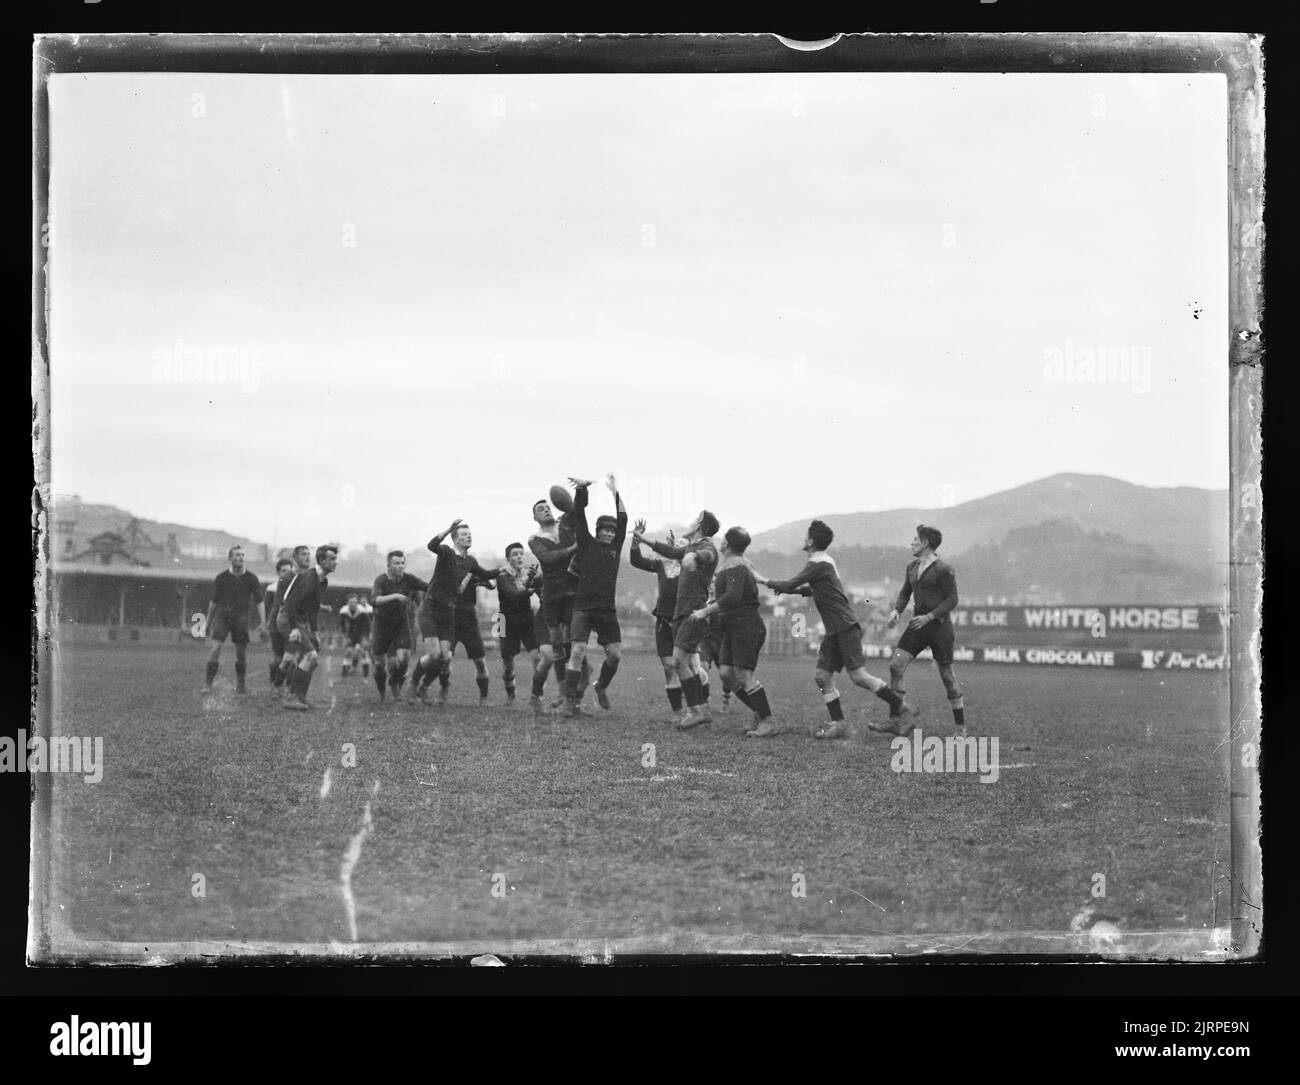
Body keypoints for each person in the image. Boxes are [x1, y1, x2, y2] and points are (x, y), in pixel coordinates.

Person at [758, 519, 915, 739]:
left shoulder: (818, 563)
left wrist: (762, 580)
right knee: (822, 676)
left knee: (859, 677)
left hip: (845, 627)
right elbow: (811, 589)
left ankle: (903, 706)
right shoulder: (823, 562)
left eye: (806, 536)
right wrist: (789, 590)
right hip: (836, 629)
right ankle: (839, 723)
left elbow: (791, 584)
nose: (804, 538)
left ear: (811, 540)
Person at [634, 509, 720, 729]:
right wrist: (642, 539)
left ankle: (696, 711)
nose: (690, 522)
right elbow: (669, 551)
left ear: (700, 524)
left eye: (694, 520)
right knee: (687, 664)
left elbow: (709, 554)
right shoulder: (690, 548)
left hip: (693, 613)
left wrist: (696, 557)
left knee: (679, 662)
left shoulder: (704, 546)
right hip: (683, 614)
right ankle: (701, 710)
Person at [690, 527, 777, 736]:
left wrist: (705, 611)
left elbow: (732, 597)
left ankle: (767, 720)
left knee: (744, 675)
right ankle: (758, 711)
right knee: (727, 674)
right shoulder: (736, 564)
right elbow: (753, 578)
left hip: (747, 626)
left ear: (726, 544)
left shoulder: (736, 566)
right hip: (732, 628)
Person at [880, 524, 965, 736]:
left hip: (939, 629)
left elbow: (952, 599)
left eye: (915, 540)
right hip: (917, 626)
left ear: (925, 543)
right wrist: (896, 610)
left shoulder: (944, 569)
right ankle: (895, 721)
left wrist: (930, 616)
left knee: (947, 676)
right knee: (896, 664)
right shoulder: (911, 567)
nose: (911, 543)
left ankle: (961, 728)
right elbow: (904, 593)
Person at [412, 521, 503, 706]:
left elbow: (485, 574)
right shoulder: (446, 552)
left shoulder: (470, 561)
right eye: (464, 534)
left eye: (470, 534)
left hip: (449, 612)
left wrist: (503, 570)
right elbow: (432, 546)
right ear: (455, 538)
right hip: (431, 607)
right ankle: (413, 686)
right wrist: (448, 529)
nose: (468, 536)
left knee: (444, 657)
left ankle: (423, 689)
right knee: (435, 655)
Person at [563, 475, 628, 715]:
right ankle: (570, 701)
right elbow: (580, 515)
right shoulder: (586, 543)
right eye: (606, 531)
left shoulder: (615, 548)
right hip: (583, 607)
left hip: (606, 610)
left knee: (614, 655)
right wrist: (582, 490)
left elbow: (623, 518)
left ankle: (600, 686)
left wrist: (615, 492)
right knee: (577, 651)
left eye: (612, 532)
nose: (610, 534)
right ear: (598, 531)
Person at [527, 493, 591, 715]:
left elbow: (579, 509)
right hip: (552, 596)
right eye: (540, 508)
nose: (546, 509)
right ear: (535, 517)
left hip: (573, 591)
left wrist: (582, 489)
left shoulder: (565, 524)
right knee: (554, 650)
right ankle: (544, 695)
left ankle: (570, 699)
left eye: (547, 506)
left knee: (572, 646)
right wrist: (575, 547)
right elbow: (549, 558)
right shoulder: (534, 539)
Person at [629, 525, 685, 715]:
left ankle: (700, 705)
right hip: (663, 619)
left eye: (681, 545)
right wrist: (636, 542)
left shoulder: (690, 567)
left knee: (691, 666)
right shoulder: (662, 564)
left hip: (684, 621)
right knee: (669, 666)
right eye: (675, 544)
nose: (677, 546)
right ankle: (678, 714)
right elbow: (636, 561)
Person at [279, 544, 339, 710]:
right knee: (310, 655)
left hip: (299, 620)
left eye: (336, 558)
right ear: (322, 561)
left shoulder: (322, 580)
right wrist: (295, 628)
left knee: (313, 656)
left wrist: (315, 632)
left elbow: (312, 608)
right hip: (288, 619)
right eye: (332, 559)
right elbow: (291, 603)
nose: (336, 562)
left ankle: (300, 697)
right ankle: (290, 697)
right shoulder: (309, 577)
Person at [204, 545, 265, 694]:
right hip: (223, 618)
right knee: (215, 649)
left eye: (242, 555)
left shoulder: (251, 578)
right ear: (230, 558)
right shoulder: (222, 577)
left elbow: (259, 601)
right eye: (237, 555)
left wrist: (263, 622)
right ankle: (207, 684)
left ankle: (241, 684)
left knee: (241, 653)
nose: (241, 558)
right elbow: (214, 601)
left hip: (241, 619)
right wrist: (207, 622)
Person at [369, 550, 428, 701]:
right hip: (381, 625)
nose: (401, 566)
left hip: (401, 623)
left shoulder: (409, 579)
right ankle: (382, 691)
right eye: (396, 563)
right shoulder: (380, 580)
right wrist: (395, 596)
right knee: (379, 665)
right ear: (388, 565)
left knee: (404, 658)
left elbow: (428, 586)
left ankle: (394, 682)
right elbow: (374, 601)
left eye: (402, 563)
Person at [495, 543, 544, 705]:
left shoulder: (528, 574)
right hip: (504, 620)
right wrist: (529, 586)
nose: (519, 557)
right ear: (508, 559)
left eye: (522, 554)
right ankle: (511, 696)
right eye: (515, 554)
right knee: (507, 663)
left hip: (526, 618)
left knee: (537, 656)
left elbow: (541, 591)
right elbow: (514, 595)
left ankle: (537, 695)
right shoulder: (502, 576)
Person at [263, 556, 295, 688]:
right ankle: (273, 681)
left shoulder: (296, 588)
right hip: (275, 627)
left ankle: (289, 689)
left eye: (289, 571)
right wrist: (266, 624)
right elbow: (267, 608)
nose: (287, 574)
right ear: (278, 573)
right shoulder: (271, 589)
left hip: (291, 627)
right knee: (278, 659)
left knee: (292, 658)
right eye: (284, 571)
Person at [338, 594, 372, 678]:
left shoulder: (363, 611)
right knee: (348, 652)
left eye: (355, 602)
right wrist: (345, 636)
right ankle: (344, 674)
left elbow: (367, 625)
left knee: (363, 652)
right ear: (347, 603)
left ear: (357, 603)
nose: (353, 604)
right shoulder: (343, 611)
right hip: (351, 634)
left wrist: (365, 637)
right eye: (351, 602)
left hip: (361, 633)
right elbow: (342, 624)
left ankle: (366, 675)